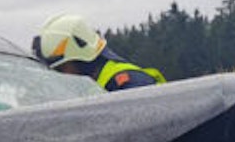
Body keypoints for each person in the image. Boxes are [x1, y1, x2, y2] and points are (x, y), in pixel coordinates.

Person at [32, 14, 166, 91]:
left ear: (82, 59)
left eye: (62, 68)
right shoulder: (94, 86)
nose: (60, 75)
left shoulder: (128, 84)